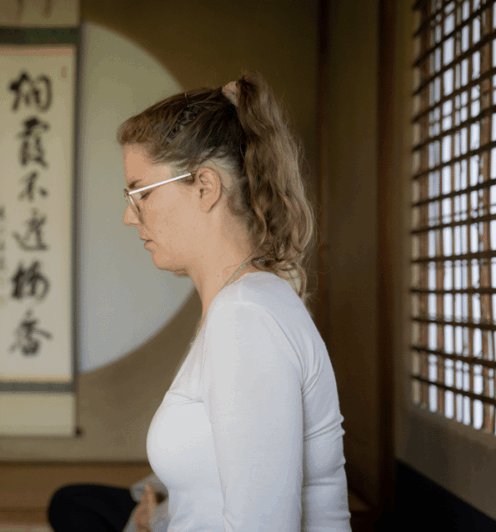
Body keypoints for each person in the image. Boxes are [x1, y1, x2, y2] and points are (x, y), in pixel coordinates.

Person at [49, 71, 351, 532]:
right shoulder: (245, 302)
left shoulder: (245, 317)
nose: (129, 216)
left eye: (140, 193)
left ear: (205, 187)